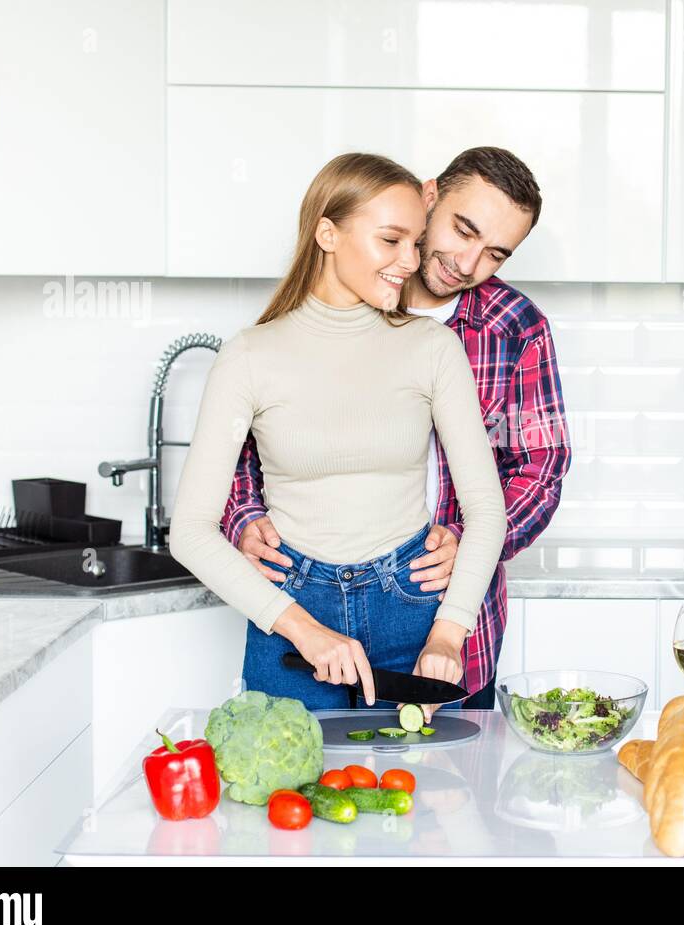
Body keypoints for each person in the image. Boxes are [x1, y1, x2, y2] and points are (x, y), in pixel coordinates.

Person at [219, 147, 572, 709]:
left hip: (449, 618)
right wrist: (244, 515)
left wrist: (468, 538)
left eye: (495, 253)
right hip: (306, 597)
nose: (468, 262)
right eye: (463, 230)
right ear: (427, 197)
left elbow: (542, 467)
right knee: (309, 782)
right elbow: (252, 438)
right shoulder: (336, 304)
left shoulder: (516, 328)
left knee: (434, 788)